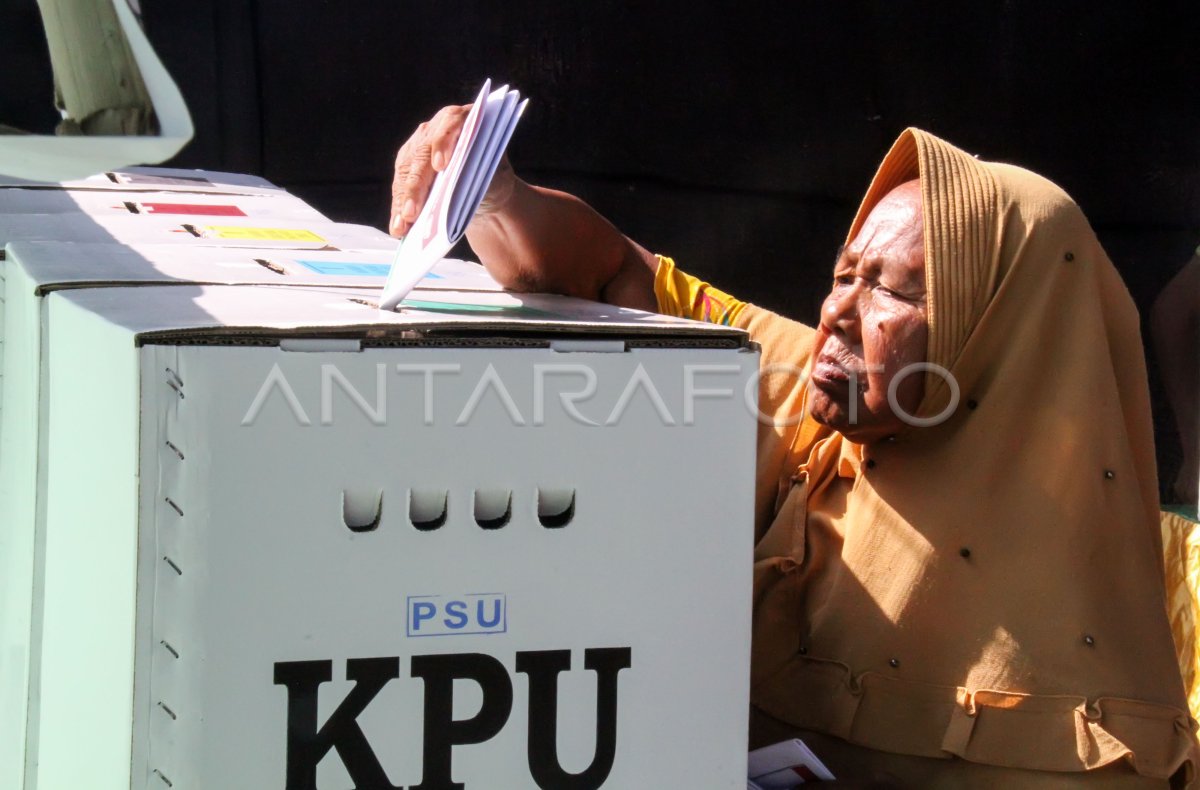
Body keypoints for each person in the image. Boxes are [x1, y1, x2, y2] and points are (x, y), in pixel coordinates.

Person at [391, 108, 1200, 787]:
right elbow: (608, 272)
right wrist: (491, 193)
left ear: (1002, 342)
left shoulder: (1093, 734)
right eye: (843, 274)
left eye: (891, 287)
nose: (837, 314)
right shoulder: (823, 417)